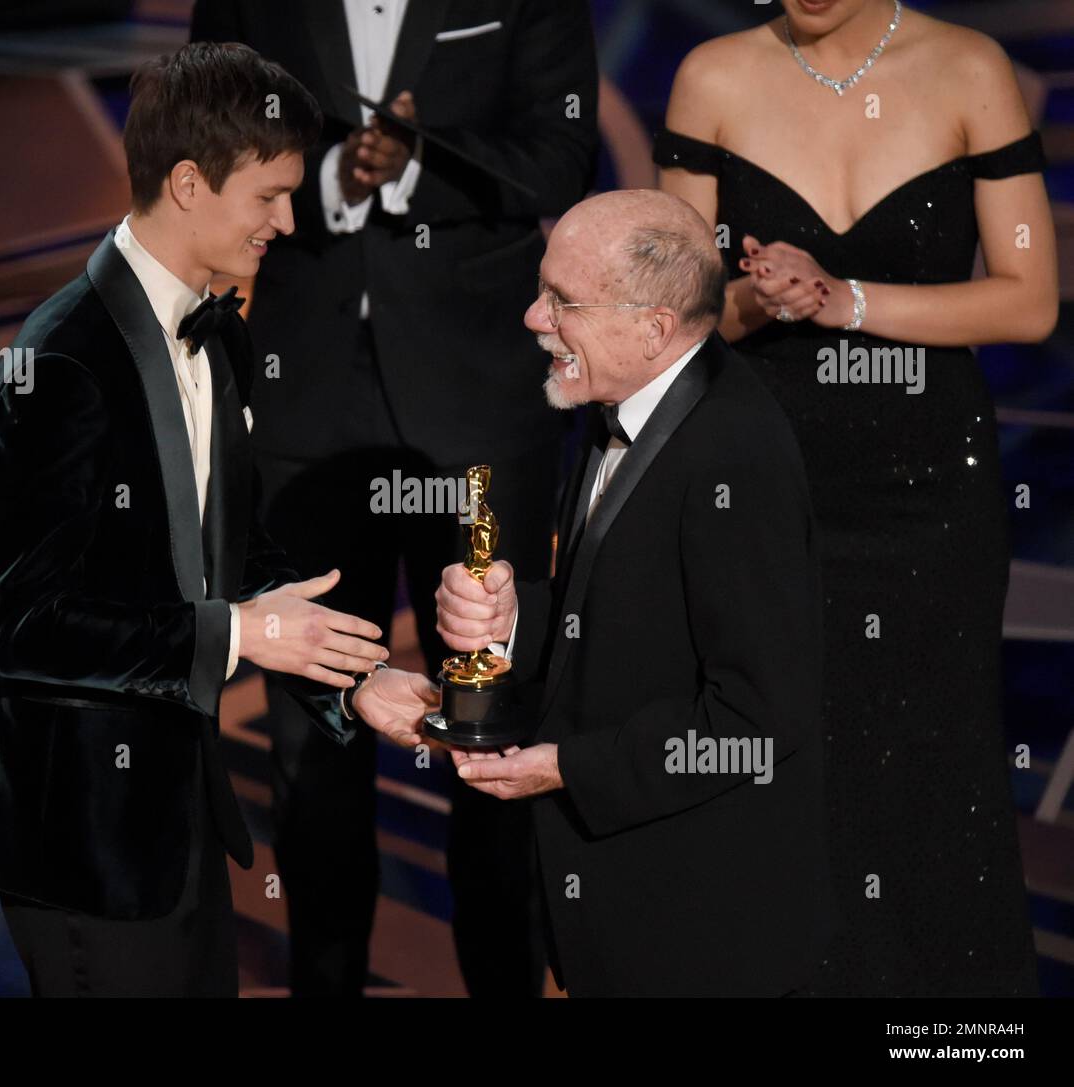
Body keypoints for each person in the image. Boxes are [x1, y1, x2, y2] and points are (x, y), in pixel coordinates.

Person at [0, 42, 433, 997]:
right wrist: (246, 633)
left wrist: (357, 676)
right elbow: (24, 624)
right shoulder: (62, 364)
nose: (288, 222)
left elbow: (232, 546)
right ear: (187, 183)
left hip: (177, 819)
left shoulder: (219, 334)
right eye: (268, 196)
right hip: (82, 842)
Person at [190, 0, 599, 996]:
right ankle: (323, 983)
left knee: (491, 719)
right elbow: (206, 131)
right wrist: (333, 176)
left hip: (480, 410)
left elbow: (559, 155)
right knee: (314, 722)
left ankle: (505, 982)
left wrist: (414, 163)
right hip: (305, 402)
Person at [654, 0, 1055, 995]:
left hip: (926, 485)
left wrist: (846, 299)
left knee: (929, 762)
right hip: (760, 475)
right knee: (772, 752)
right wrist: (759, 298)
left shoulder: (970, 71)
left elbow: (1027, 299)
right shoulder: (712, 77)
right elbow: (675, 319)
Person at [425, 189, 831, 996]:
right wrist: (512, 619)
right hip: (633, 910)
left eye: (562, 302)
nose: (533, 319)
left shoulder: (733, 455)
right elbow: (618, 618)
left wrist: (567, 767)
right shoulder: (623, 402)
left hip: (703, 935)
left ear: (653, 328)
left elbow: (758, 718)